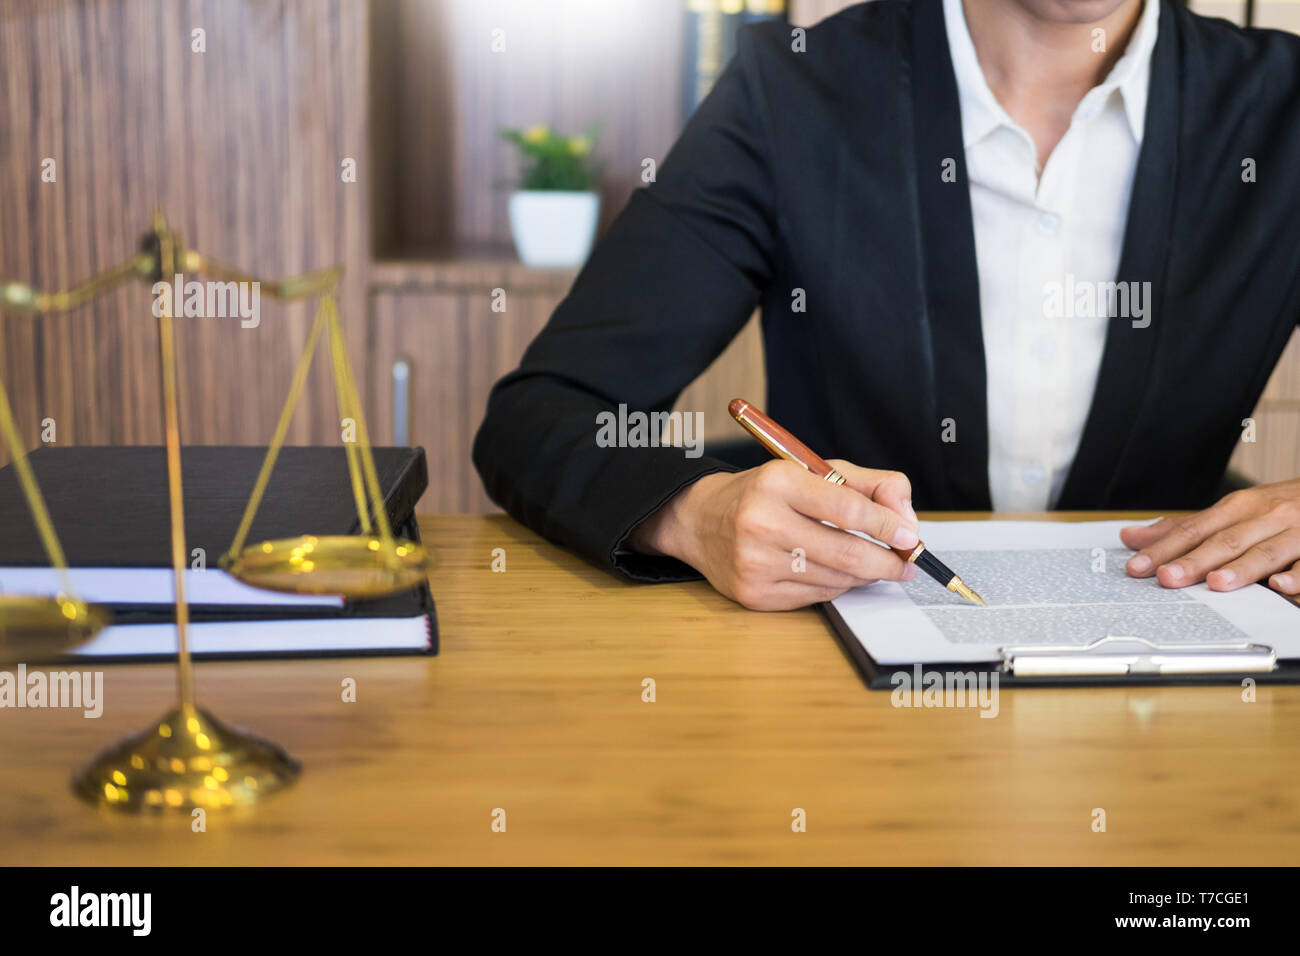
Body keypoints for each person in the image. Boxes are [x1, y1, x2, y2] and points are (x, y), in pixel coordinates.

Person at [474, 0, 1300, 610]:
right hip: (840, 687)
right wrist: (694, 514)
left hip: (1181, 686)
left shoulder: (1283, 109)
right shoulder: (791, 92)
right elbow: (539, 417)